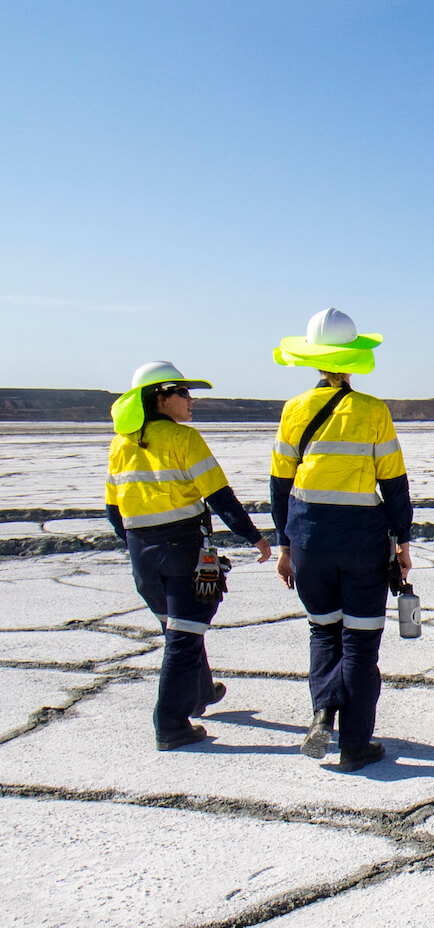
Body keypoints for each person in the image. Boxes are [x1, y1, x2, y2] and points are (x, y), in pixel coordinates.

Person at [271, 308, 412, 772]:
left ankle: (323, 712)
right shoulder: (373, 411)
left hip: (308, 538)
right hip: (362, 542)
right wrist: (402, 543)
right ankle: (355, 744)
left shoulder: (294, 409)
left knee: (324, 631)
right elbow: (393, 484)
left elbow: (279, 484)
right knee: (361, 641)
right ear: (352, 360)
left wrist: (286, 545)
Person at [105, 361, 272, 751]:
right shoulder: (185, 439)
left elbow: (114, 511)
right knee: (183, 637)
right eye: (182, 393)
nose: (190, 400)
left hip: (142, 554)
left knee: (179, 628)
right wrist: (255, 538)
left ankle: (200, 694)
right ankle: (171, 724)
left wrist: (135, 545)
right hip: (183, 551)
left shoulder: (121, 444)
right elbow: (219, 497)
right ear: (160, 398)